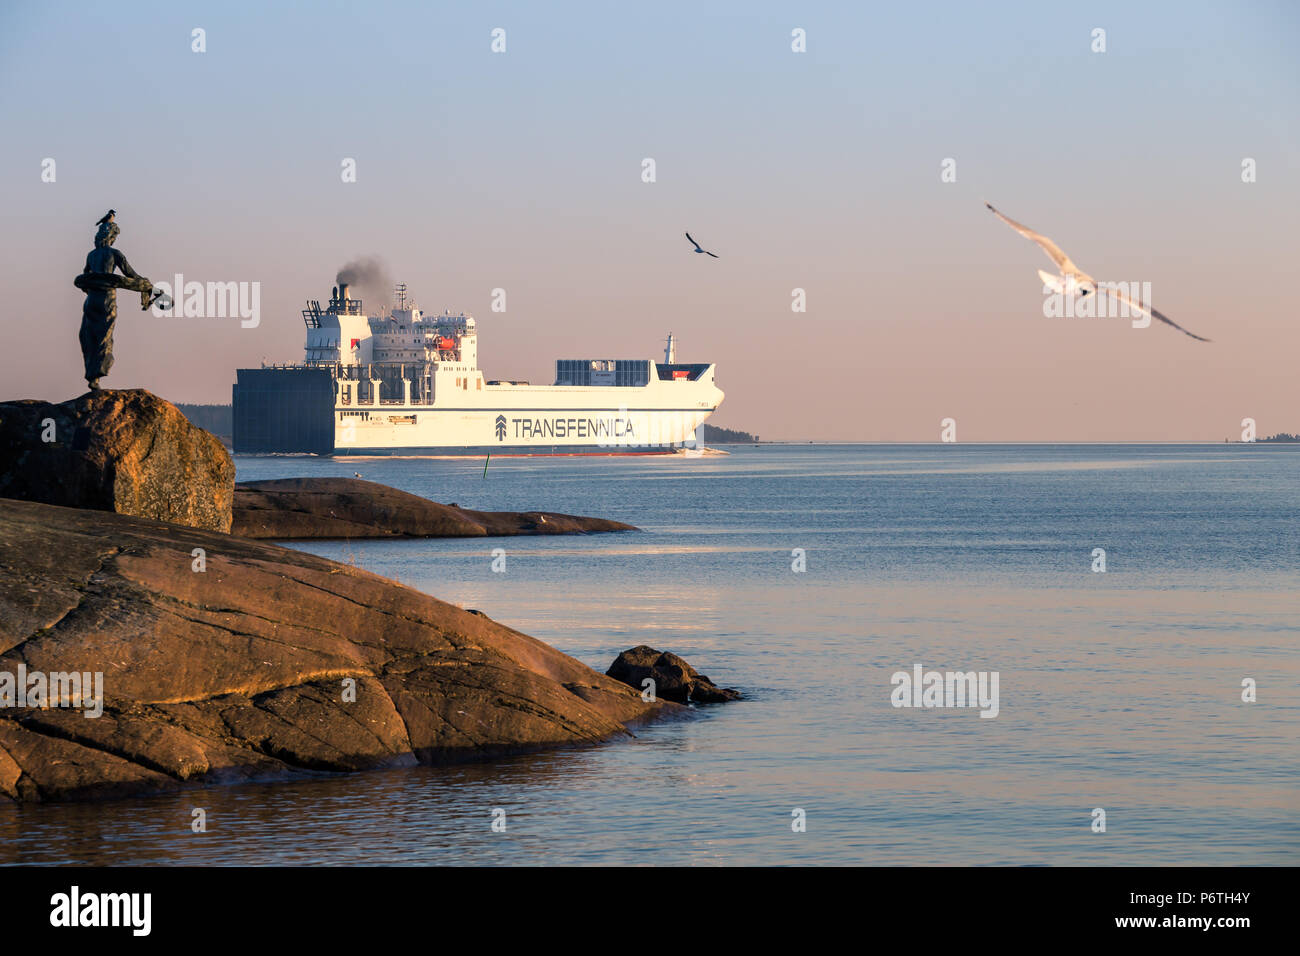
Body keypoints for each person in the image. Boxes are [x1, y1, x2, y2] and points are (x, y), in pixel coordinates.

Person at [73, 215, 158, 390]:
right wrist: (146, 285)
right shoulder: (114, 254)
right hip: (106, 300)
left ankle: (92, 376)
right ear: (112, 237)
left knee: (88, 336)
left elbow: (86, 277)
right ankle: (97, 374)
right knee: (104, 337)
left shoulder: (92, 255)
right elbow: (131, 274)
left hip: (91, 300)